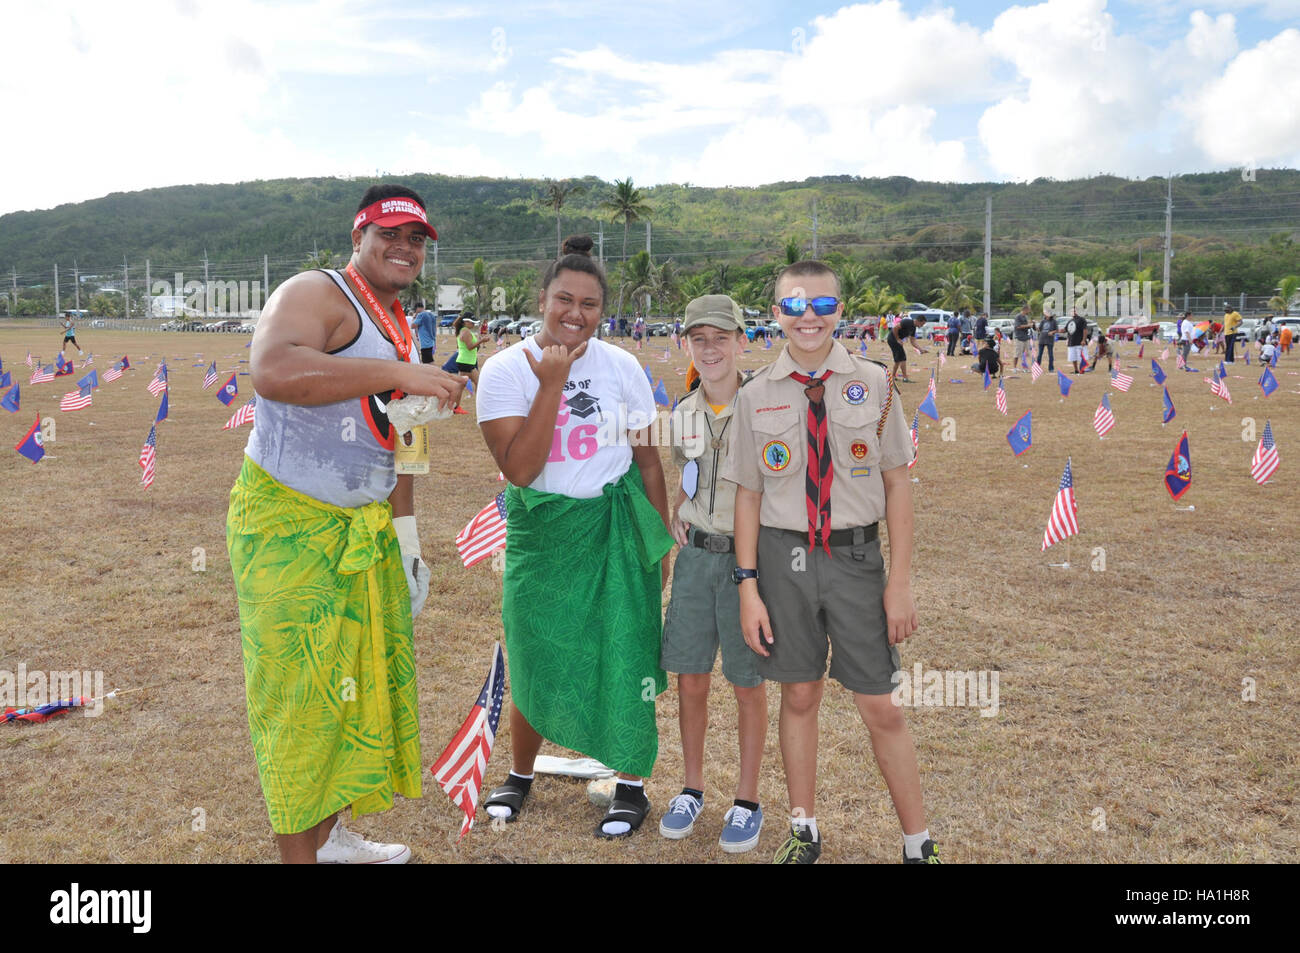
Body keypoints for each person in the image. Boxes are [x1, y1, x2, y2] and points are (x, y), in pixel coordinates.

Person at [227, 184, 464, 863]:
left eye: (417, 238)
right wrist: (398, 370)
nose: (405, 246)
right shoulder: (319, 291)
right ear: (359, 235)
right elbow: (271, 370)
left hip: (360, 524)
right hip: (290, 524)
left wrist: (408, 538)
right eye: (391, 232)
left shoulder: (394, 318)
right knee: (300, 705)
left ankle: (332, 837)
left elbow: (399, 437)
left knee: (344, 692)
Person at [721, 260, 937, 865]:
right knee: (798, 696)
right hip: (781, 560)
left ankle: (918, 844)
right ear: (776, 315)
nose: (808, 317)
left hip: (855, 560)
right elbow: (748, 494)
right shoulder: (754, 394)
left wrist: (898, 581)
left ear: (840, 311)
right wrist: (747, 587)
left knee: (881, 705)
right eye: (793, 305)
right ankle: (803, 829)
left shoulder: (876, 383)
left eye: (821, 305)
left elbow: (897, 484)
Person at [476, 237, 672, 840]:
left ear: (602, 309)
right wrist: (552, 383)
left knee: (625, 650)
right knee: (532, 649)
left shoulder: (621, 367)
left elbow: (648, 463)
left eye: (589, 303)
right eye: (565, 298)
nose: (576, 312)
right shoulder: (505, 370)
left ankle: (631, 781)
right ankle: (519, 772)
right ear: (543, 299)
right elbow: (521, 470)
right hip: (543, 531)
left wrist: (655, 543)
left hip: (615, 530)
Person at [659, 295, 766, 853]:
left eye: (720, 337)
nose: (710, 348)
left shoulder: (767, 405)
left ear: (741, 340)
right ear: (688, 346)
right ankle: (692, 788)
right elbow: (689, 477)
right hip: (698, 557)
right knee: (690, 676)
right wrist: (678, 515)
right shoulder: (682, 413)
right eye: (699, 338)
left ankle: (747, 799)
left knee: (747, 683)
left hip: (749, 563)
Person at [450, 312, 481, 414]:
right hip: (466, 362)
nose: (473, 325)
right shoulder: (466, 332)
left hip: (465, 361)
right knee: (479, 383)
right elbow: (470, 347)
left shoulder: (462, 331)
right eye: (472, 322)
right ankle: (480, 405)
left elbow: (462, 347)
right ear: (466, 322)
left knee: (460, 386)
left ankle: (455, 407)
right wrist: (481, 341)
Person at [887, 313, 926, 382]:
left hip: (896, 340)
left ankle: (892, 377)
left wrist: (920, 349)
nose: (922, 326)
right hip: (892, 339)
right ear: (918, 321)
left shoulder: (913, 328)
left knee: (898, 360)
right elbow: (895, 328)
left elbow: (913, 341)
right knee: (902, 358)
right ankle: (905, 378)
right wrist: (898, 339)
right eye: (922, 324)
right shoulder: (907, 322)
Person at [1065, 308, 1086, 374]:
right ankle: (1076, 370)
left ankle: (1082, 369)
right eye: (1072, 311)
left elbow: (1085, 330)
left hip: (1079, 341)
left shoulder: (1081, 319)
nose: (1073, 312)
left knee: (1081, 357)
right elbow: (1066, 330)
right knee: (1073, 357)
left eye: (1074, 311)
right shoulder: (1070, 321)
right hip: (1071, 341)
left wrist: (1083, 340)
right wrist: (1055, 331)